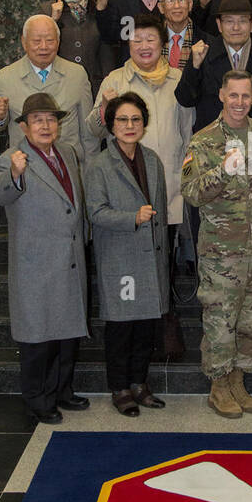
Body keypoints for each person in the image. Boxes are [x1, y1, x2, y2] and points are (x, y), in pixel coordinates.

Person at [0, 93, 88, 423]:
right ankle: (37, 398)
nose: (45, 125)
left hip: (69, 257)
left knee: (66, 334)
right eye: (37, 120)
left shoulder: (68, 153)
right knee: (38, 339)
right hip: (36, 263)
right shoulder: (12, 158)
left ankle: (62, 390)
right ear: (24, 126)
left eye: (51, 119)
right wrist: (15, 175)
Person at [180, 70, 252, 418]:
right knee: (221, 320)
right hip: (221, 253)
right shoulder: (203, 141)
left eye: (245, 96)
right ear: (221, 95)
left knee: (251, 321)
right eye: (233, 96)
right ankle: (218, 386)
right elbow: (190, 192)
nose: (239, 103)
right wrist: (223, 170)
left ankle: (238, 380)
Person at [84, 92, 169, 417]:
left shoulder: (152, 160)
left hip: (150, 258)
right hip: (119, 258)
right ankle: (120, 388)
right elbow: (96, 212)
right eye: (122, 119)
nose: (129, 125)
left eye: (135, 119)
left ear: (143, 124)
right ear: (111, 124)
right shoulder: (100, 165)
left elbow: (159, 211)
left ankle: (139, 384)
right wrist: (131, 218)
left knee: (146, 326)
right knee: (121, 328)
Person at [88, 16, 193, 233]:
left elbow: (187, 134)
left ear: (163, 44)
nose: (144, 46)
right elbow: (95, 130)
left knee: (167, 255)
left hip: (169, 183)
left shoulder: (179, 79)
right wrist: (104, 108)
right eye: (137, 40)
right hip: (126, 184)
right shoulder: (114, 80)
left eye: (150, 39)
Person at [0, 14, 97, 164]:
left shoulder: (77, 74)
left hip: (68, 167)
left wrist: (91, 171)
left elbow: (88, 132)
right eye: (36, 41)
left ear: (58, 42)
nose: (43, 46)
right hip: (26, 167)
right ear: (24, 43)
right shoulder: (6, 76)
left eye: (50, 40)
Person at [175, 0, 252, 143]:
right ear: (219, 25)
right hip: (212, 148)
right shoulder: (203, 54)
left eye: (242, 21)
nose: (236, 27)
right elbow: (185, 99)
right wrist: (193, 67)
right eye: (229, 21)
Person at [44, 0, 117, 94]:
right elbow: (41, 50)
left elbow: (110, 48)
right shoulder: (46, 9)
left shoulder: (103, 4)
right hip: (58, 89)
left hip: (95, 89)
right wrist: (53, 21)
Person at [158, 0, 196, 70]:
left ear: (190, 4)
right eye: (170, 0)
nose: (177, 6)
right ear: (161, 8)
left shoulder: (206, 42)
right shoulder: (152, 40)